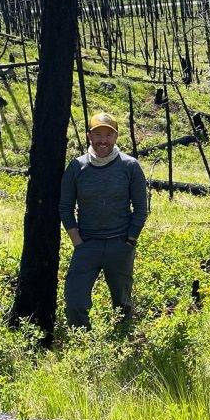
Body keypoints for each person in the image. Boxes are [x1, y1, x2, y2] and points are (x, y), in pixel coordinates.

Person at [59, 111, 149, 329]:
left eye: (108, 135)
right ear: (89, 136)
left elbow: (140, 208)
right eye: (98, 134)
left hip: (120, 244)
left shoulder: (130, 166)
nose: (103, 140)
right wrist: (77, 241)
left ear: (116, 137)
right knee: (75, 300)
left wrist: (130, 240)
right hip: (87, 244)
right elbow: (65, 207)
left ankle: (122, 338)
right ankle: (82, 341)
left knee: (122, 303)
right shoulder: (77, 167)